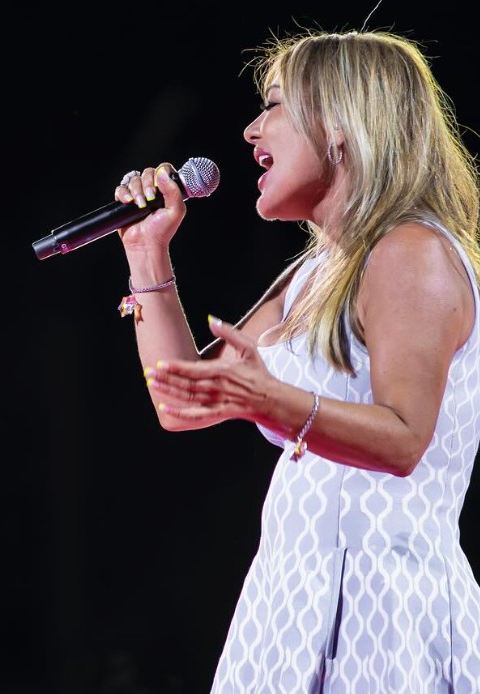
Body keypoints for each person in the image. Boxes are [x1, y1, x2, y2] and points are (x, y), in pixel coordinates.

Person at [112, 29, 480, 691]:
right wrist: (147, 256)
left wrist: (268, 400)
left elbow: (403, 440)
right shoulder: (313, 274)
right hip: (289, 603)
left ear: (341, 124)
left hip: (382, 608)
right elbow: (180, 402)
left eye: (275, 105)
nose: (253, 129)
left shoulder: (410, 253)